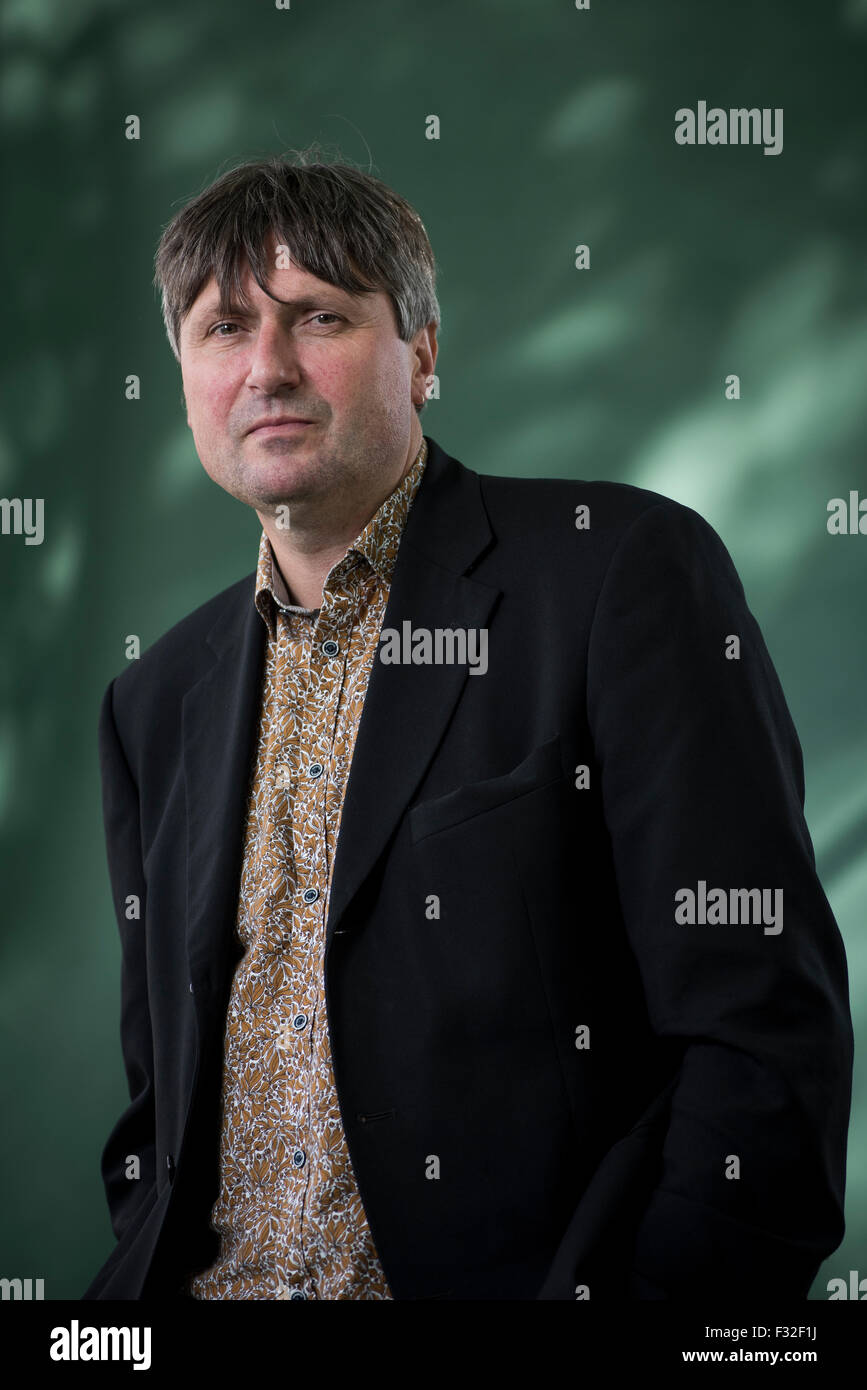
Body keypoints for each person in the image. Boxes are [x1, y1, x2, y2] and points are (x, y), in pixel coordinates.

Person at [83, 153, 853, 1302]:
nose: (268, 369)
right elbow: (161, 1110)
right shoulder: (155, 703)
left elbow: (764, 1044)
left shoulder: (617, 577)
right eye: (223, 329)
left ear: (425, 354)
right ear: (183, 371)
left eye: (320, 318)